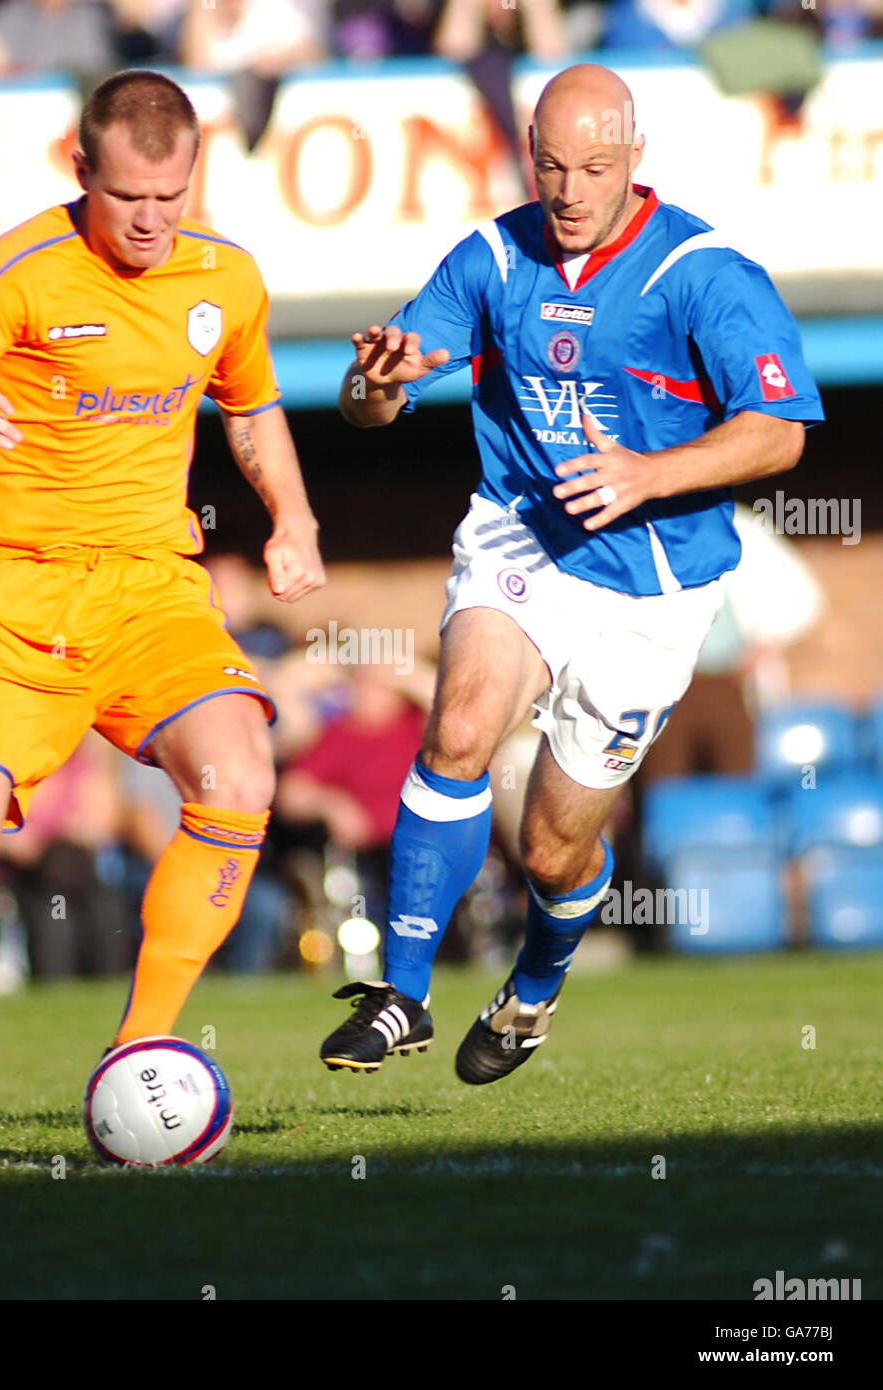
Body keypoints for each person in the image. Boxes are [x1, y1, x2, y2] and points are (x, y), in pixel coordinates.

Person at [321, 62, 822, 1083]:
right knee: (460, 722)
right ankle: (401, 993)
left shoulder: (704, 271)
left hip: (655, 588)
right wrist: (373, 389)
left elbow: (778, 435)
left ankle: (535, 986)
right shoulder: (492, 257)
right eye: (551, 165)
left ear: (634, 158)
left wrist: (651, 472)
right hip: (523, 535)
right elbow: (371, 394)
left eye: (594, 167)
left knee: (552, 849)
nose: (568, 190)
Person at [0, 68, 324, 1161]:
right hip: (11, 599)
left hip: (152, 592)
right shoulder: (16, 273)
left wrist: (291, 518)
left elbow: (249, 400)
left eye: (172, 196)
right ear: (82, 173)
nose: (154, 221)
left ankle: (139, 1052)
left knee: (241, 775)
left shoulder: (226, 278)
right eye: (129, 200)